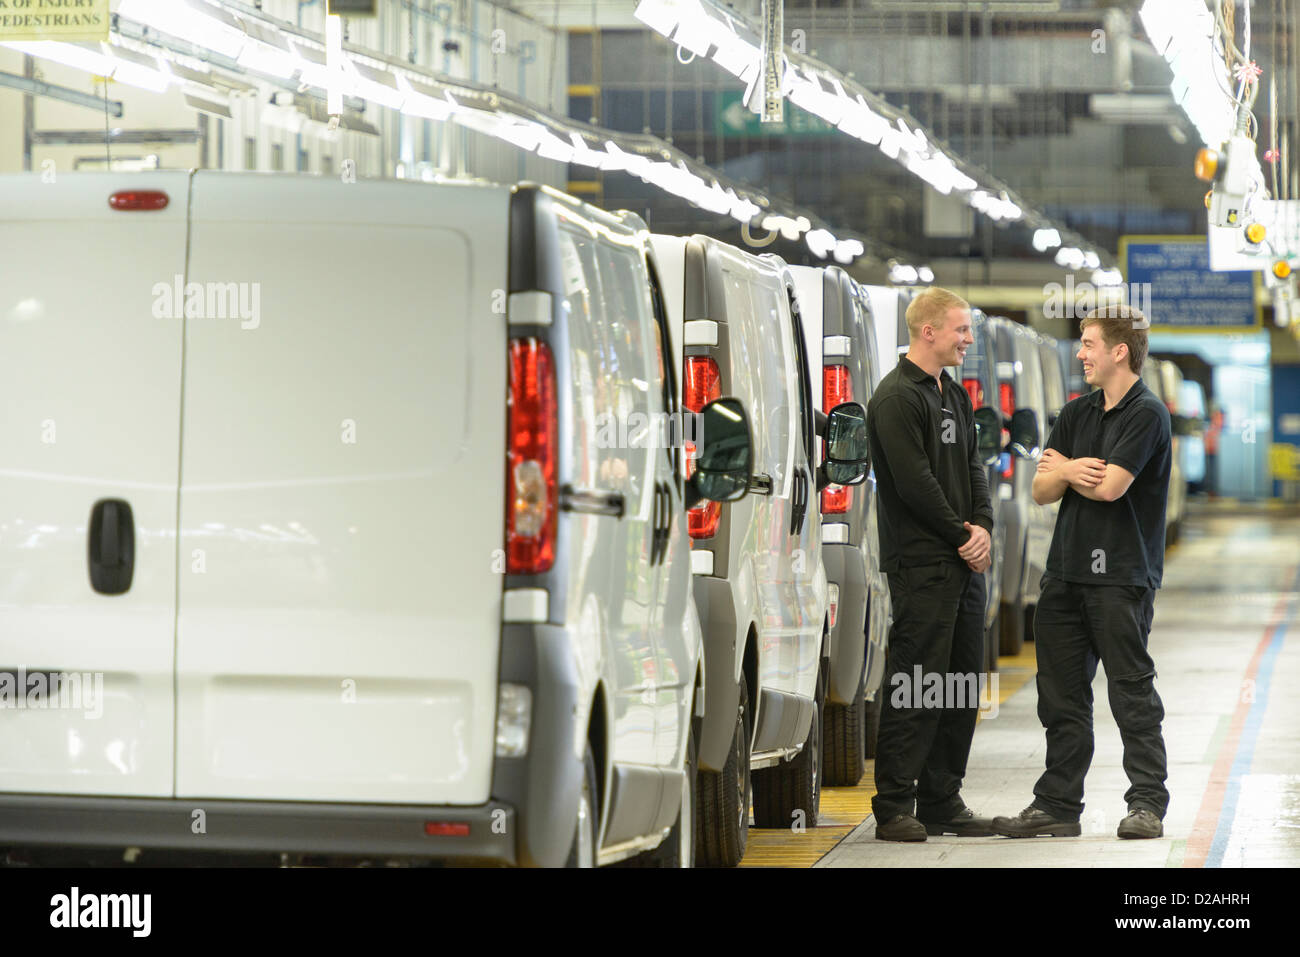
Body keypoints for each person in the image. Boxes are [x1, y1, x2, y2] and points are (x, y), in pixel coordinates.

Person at [993, 305, 1171, 841]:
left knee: (1130, 692)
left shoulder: (1146, 413)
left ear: (1120, 351)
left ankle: (1146, 804)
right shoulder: (1076, 413)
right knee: (1060, 696)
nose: (1080, 352)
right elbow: (1041, 489)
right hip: (1066, 576)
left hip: (1121, 576)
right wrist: (1071, 470)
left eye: (1089, 343)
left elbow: (1113, 485)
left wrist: (1066, 472)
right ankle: (1057, 804)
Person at [866, 287, 996, 842]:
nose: (968, 339)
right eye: (961, 330)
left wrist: (983, 524)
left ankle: (942, 798)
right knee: (918, 681)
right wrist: (960, 532)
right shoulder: (897, 398)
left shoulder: (954, 395)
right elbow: (913, 482)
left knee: (962, 682)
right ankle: (895, 803)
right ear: (929, 332)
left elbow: (972, 464)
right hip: (922, 564)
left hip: (964, 563)